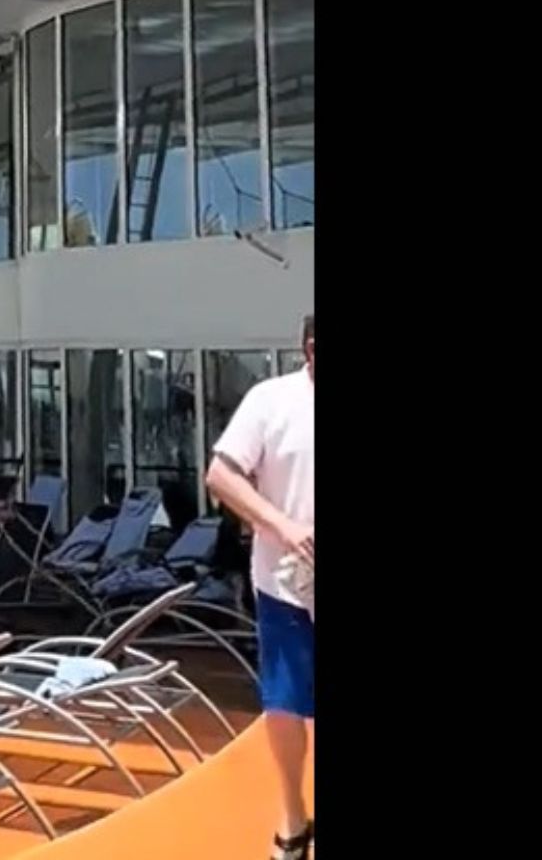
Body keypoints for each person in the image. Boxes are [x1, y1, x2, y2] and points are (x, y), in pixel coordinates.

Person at [204, 314, 316, 859]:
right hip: (286, 584)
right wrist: (283, 526)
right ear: (312, 350)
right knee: (286, 705)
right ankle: (294, 816)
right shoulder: (272, 401)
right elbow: (221, 476)